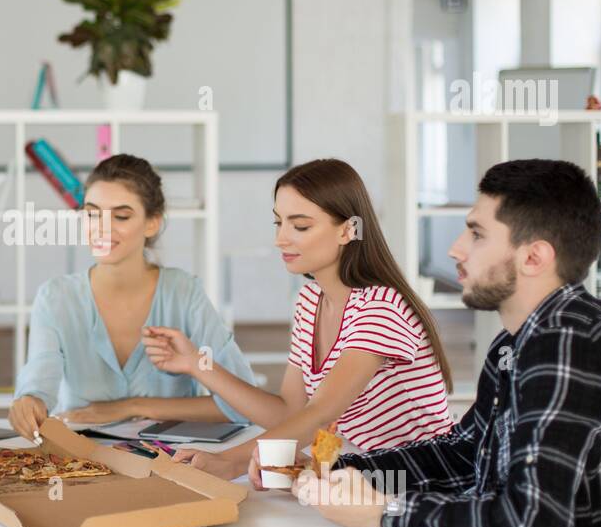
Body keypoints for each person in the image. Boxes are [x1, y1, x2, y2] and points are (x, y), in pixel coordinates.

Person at [296, 159, 601, 527]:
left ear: (534, 257)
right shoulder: (515, 344)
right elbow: (463, 453)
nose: (456, 249)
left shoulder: (569, 346)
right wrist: (347, 469)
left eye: (476, 234)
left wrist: (380, 513)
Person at [147, 158, 453, 481]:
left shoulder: (382, 308)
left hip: (424, 480)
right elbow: (290, 412)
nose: (281, 238)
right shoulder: (310, 301)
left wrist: (229, 461)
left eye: (301, 226)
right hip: (365, 475)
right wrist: (196, 364)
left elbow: (321, 415)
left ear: (348, 230)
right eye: (278, 223)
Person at [9, 154, 255, 438]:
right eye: (91, 213)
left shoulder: (184, 293)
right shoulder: (56, 298)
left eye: (121, 216)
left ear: (152, 223)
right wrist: (29, 402)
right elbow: (39, 380)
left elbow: (244, 403)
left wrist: (133, 406)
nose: (101, 227)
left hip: (171, 463)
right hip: (84, 463)